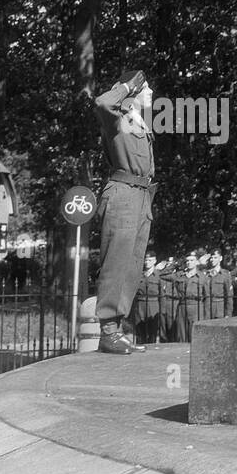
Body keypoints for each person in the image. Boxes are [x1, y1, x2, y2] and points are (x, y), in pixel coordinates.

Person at [92, 69, 154, 354]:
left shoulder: (140, 122)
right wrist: (127, 85)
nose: (151, 94)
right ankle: (107, 331)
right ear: (133, 92)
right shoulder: (117, 117)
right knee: (116, 262)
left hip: (141, 196)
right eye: (147, 89)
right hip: (123, 193)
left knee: (131, 265)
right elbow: (103, 101)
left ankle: (117, 329)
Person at [205, 249, 233, 320]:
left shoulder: (225, 275)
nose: (212, 260)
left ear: (220, 258)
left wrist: (228, 314)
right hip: (206, 309)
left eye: (215, 257)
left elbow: (229, 296)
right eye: (211, 258)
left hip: (219, 310)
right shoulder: (206, 274)